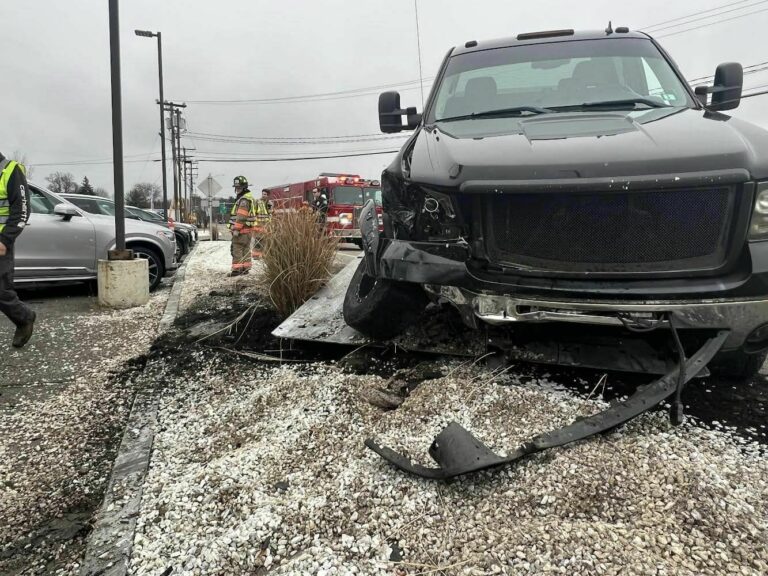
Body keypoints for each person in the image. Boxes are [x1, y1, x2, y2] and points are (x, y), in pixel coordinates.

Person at [0, 152, 35, 347]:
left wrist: (5, 240)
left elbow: (21, 209)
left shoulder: (10, 170)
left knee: (0, 290)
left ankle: (24, 317)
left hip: (0, 241)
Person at [226, 175, 258, 276]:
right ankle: (245, 268)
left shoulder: (243, 200)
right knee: (246, 249)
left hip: (241, 231)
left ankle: (236, 271)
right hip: (247, 231)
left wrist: (236, 229)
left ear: (244, 188)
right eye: (236, 188)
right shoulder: (250, 198)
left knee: (237, 249)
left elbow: (241, 216)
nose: (237, 190)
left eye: (239, 188)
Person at [251, 189, 272, 259]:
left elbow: (270, 213)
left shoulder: (270, 203)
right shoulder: (257, 201)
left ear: (268, 195)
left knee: (265, 241)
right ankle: (256, 255)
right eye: (263, 194)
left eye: (265, 194)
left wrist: (271, 210)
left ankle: (264, 255)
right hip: (259, 225)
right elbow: (254, 212)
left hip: (266, 224)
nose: (263, 195)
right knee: (258, 240)